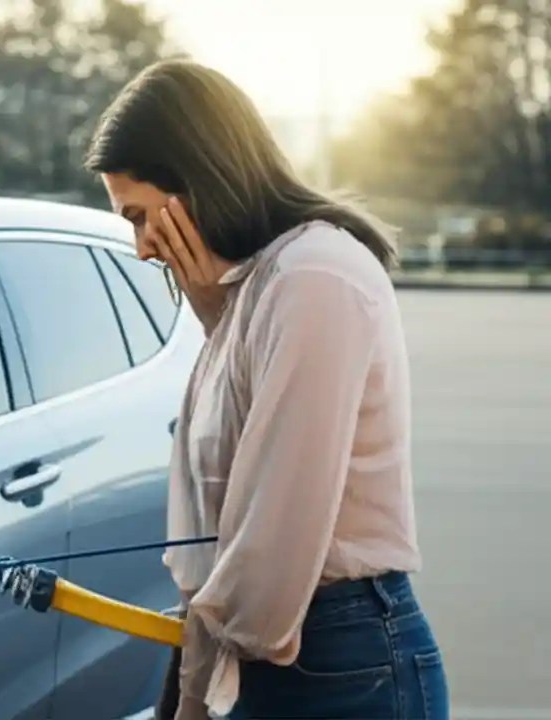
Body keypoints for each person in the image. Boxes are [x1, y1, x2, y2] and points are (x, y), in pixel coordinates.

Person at [83, 58, 450, 720]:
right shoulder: (255, 291)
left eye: (140, 216)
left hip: (339, 660)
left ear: (197, 184)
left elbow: (275, 528)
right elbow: (218, 503)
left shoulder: (315, 279)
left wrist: (200, 667)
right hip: (276, 647)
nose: (140, 247)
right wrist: (215, 321)